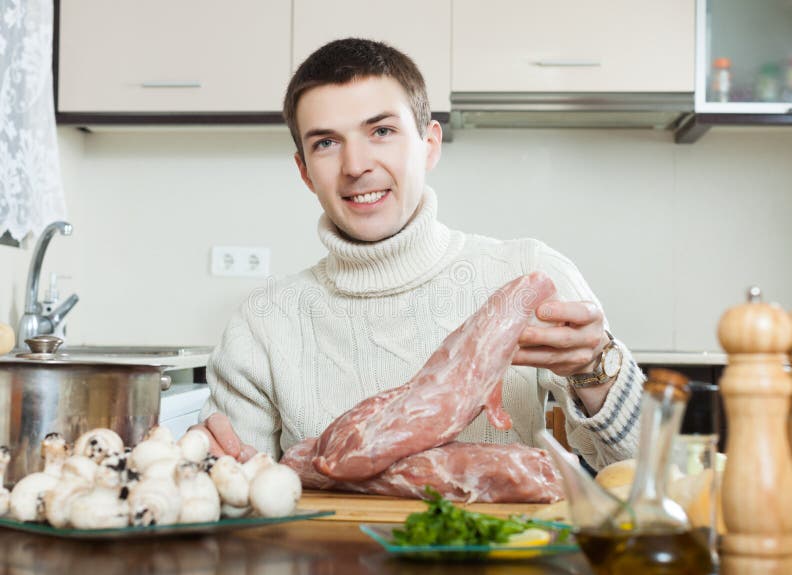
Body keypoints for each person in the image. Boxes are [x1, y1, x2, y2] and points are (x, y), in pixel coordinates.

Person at [193, 38, 644, 471]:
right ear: (305, 171)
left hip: (500, 551)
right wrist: (210, 467)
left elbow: (653, 474)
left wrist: (596, 369)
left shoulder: (526, 275)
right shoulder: (263, 324)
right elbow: (240, 500)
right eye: (326, 143)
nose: (355, 166)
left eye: (382, 131)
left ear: (429, 145)